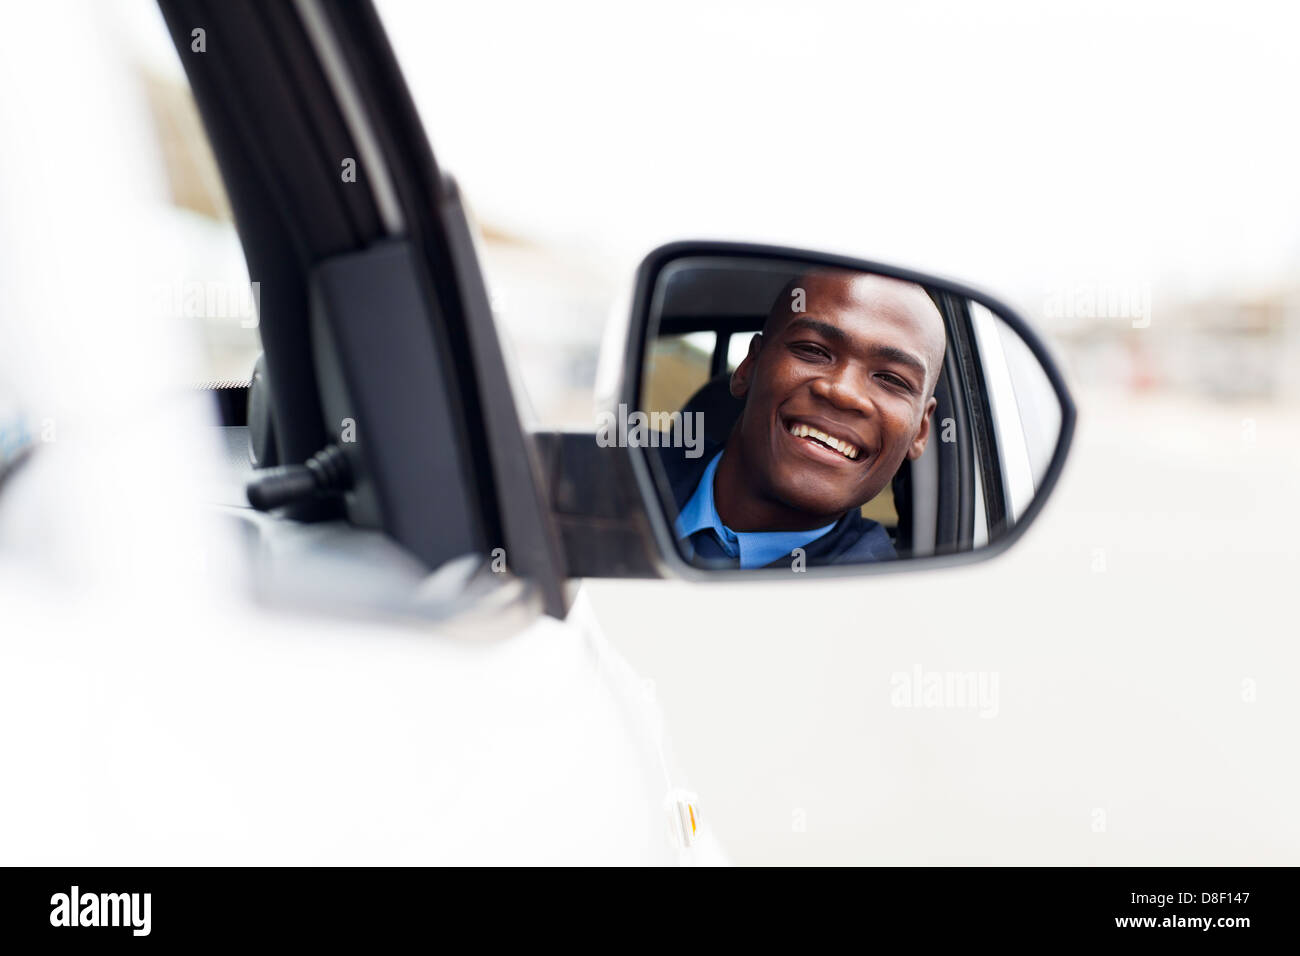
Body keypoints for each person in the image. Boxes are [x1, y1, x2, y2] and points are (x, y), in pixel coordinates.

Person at [661, 268, 947, 568]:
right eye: (813, 350)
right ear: (749, 366)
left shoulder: (882, 591)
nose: (844, 393)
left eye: (891, 379)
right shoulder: (629, 464)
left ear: (920, 432)